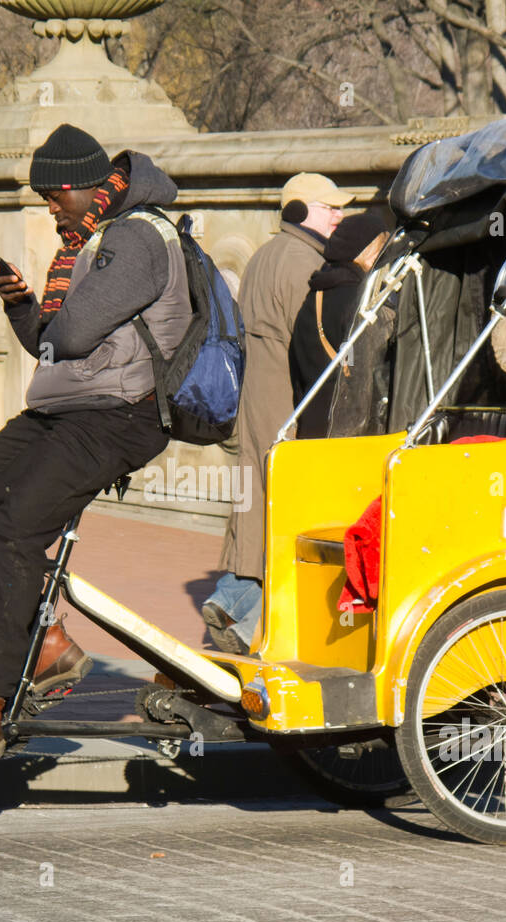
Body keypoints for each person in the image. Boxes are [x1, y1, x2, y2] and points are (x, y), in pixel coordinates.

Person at [0, 124, 185, 760]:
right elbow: (52, 343)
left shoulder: (137, 235)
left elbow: (77, 333)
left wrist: (61, 311)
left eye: (53, 196)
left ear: (84, 188)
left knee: (13, 533)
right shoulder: (98, 240)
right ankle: (48, 643)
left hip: (120, 415)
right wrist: (22, 305)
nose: (50, 209)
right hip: (73, 404)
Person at [202, 173, 353, 654]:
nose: (339, 215)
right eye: (331, 207)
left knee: (256, 504)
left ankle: (229, 600)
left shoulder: (268, 254)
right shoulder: (304, 262)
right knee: (287, 516)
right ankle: (249, 627)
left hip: (255, 401)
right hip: (285, 404)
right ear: (300, 210)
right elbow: (313, 345)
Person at [287, 212, 390, 439]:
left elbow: (297, 370)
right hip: (346, 433)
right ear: (369, 256)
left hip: (310, 429)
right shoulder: (359, 302)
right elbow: (360, 366)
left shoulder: (314, 296)